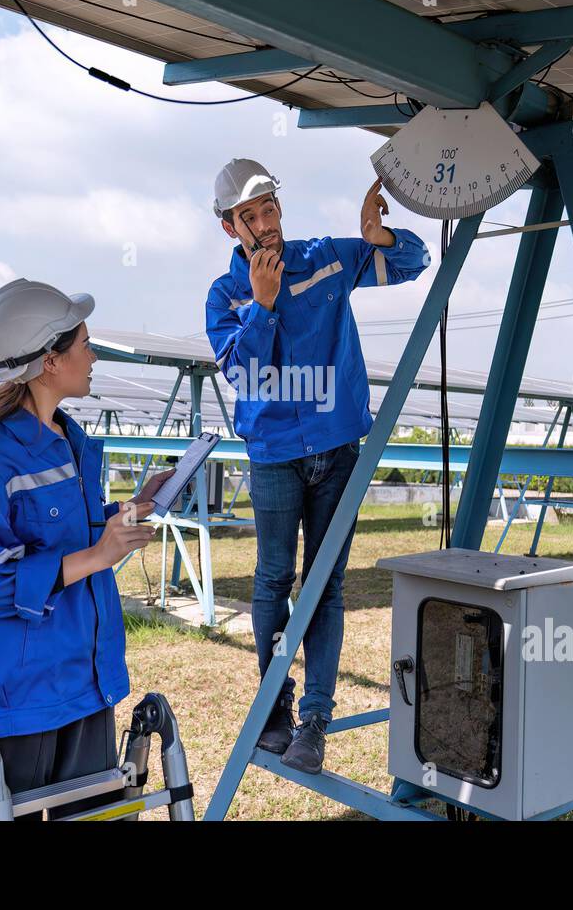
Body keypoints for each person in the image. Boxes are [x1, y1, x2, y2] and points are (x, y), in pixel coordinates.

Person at [205, 159, 431, 774]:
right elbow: (244, 372)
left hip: (337, 450)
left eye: (269, 209)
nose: (264, 224)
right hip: (274, 456)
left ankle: (315, 721)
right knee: (273, 579)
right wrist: (263, 305)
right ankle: (274, 711)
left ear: (279, 208)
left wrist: (382, 236)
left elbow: (414, 263)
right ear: (230, 229)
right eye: (249, 217)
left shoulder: (328, 258)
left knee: (325, 582)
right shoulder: (225, 296)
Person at [0, 278, 173, 819]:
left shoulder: (69, 440)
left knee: (90, 814)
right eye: (85, 344)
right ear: (49, 362)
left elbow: (68, 531)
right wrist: (99, 556)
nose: (94, 356)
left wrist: (132, 509)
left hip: (83, 676)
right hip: (17, 695)